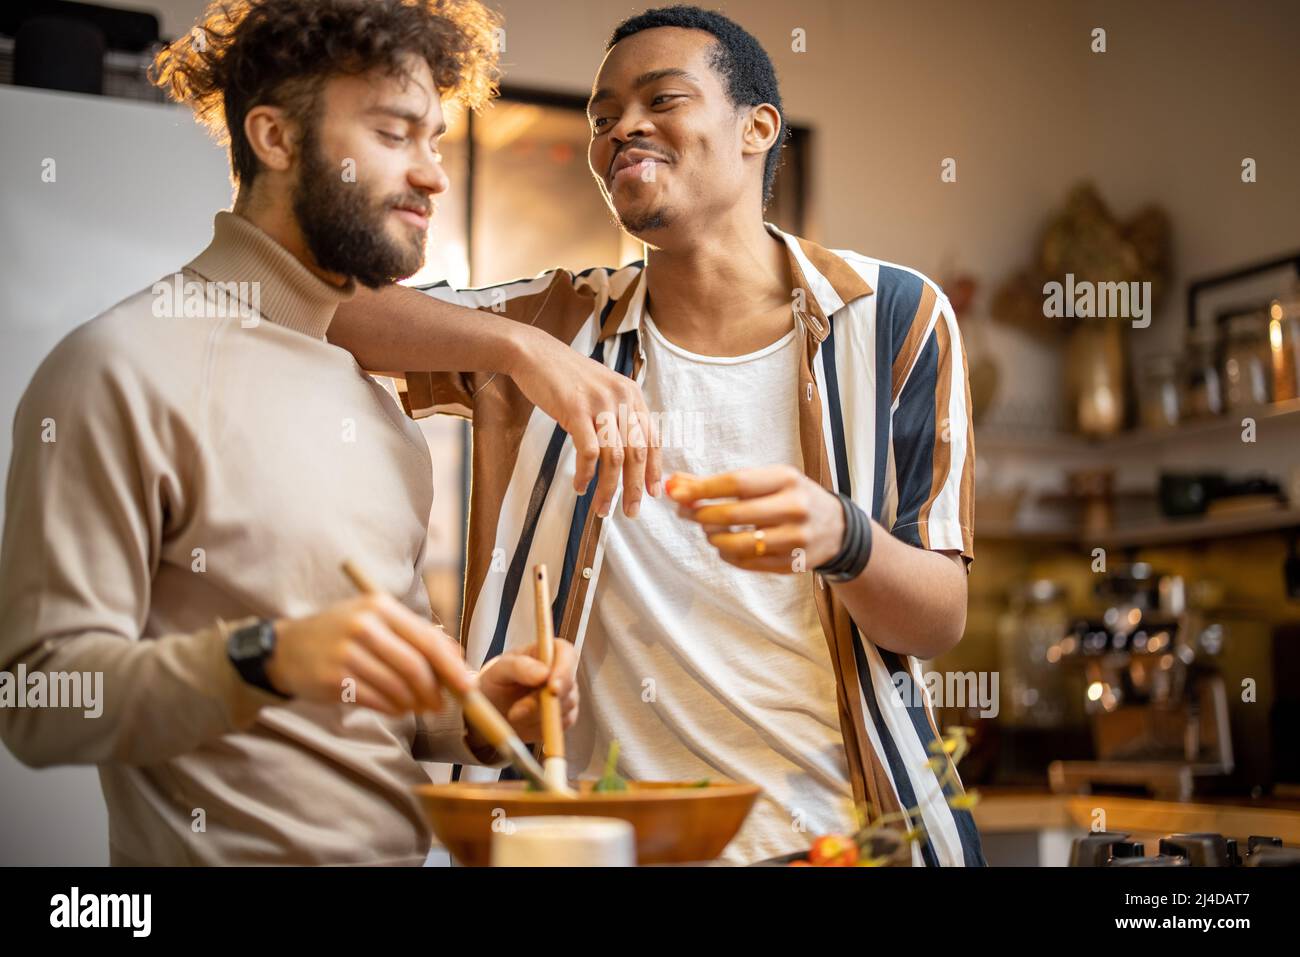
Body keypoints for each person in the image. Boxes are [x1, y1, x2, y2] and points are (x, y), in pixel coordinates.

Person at [0, 0, 661, 866]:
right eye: (395, 134)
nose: (433, 174)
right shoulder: (118, 366)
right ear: (274, 138)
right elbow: (41, 700)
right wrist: (263, 657)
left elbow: (358, 711)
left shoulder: (376, 408)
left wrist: (466, 712)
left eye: (435, 139)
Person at [328, 5, 985, 866]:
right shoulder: (558, 324)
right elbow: (330, 309)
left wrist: (841, 536)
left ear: (757, 128)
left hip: (841, 841)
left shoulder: (895, 317)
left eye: (661, 99)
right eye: (602, 117)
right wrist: (523, 350)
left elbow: (939, 619)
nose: (620, 129)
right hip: (600, 844)